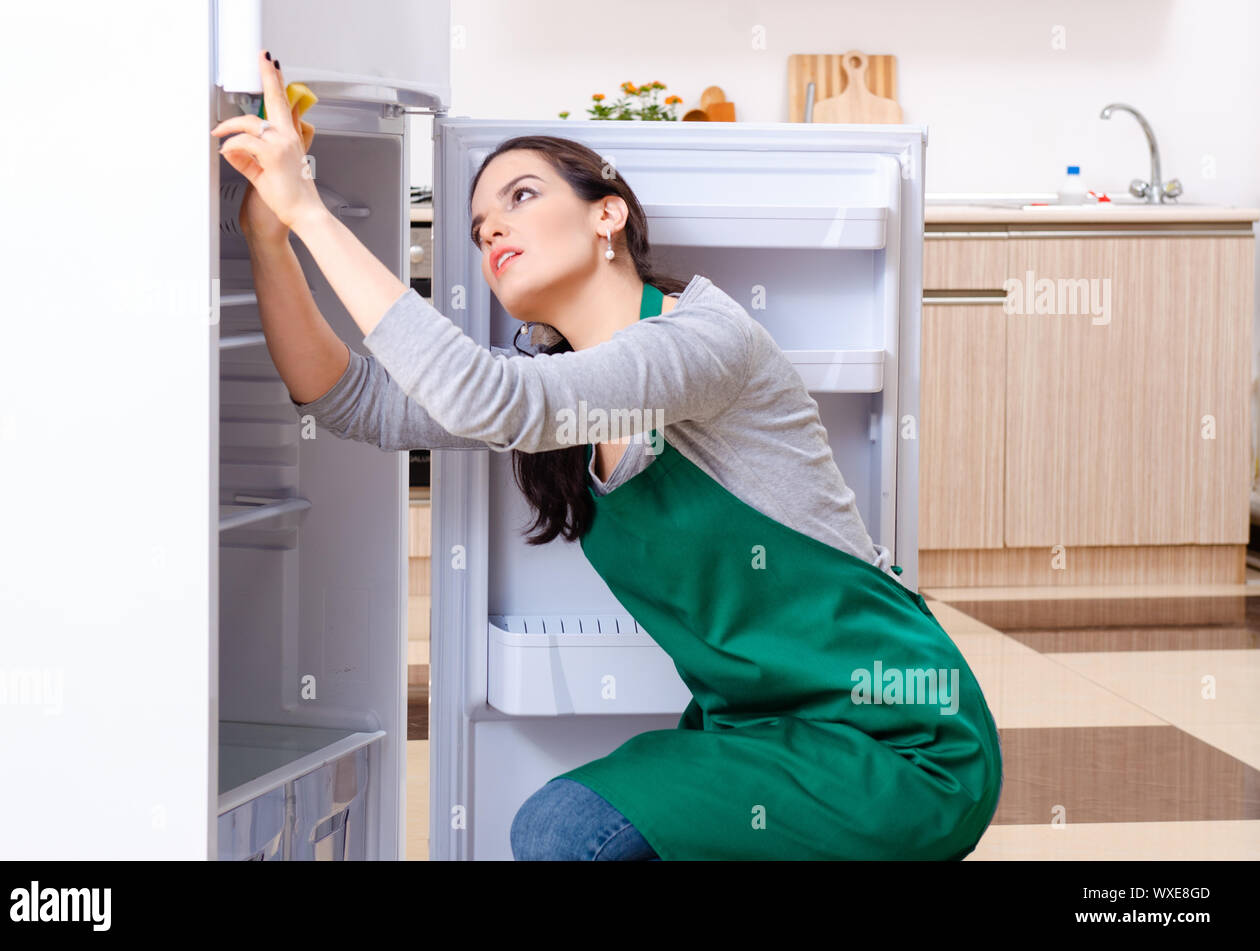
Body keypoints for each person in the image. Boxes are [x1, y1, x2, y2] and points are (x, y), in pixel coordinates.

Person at [211, 50, 1003, 861]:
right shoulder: (560, 392)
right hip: (761, 736)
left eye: (520, 198)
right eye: (482, 228)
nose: (494, 232)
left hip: (900, 741)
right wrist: (269, 235)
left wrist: (310, 208)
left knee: (566, 830)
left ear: (608, 215)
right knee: (569, 826)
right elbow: (348, 399)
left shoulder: (704, 339)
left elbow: (487, 396)